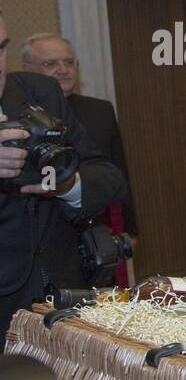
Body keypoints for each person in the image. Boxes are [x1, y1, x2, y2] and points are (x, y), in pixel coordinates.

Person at [0, 9, 126, 339]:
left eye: (0, 48)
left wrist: (69, 185)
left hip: (66, 291)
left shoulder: (38, 92)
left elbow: (107, 174)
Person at [23, 33, 137, 285]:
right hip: (43, 243)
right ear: (27, 69)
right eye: (50, 64)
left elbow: (117, 170)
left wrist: (130, 226)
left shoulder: (100, 109)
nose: (63, 70)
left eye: (69, 62)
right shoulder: (18, 115)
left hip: (96, 231)